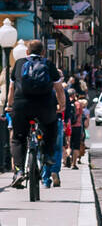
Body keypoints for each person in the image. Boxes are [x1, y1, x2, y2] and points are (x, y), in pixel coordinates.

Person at [6, 40, 64, 189]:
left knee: (18, 138)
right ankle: (48, 155)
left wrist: (9, 105)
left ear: (26, 52)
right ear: (43, 52)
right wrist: (61, 105)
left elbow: (11, 88)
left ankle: (18, 171)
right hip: (44, 105)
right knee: (51, 126)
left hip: (22, 105)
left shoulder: (19, 64)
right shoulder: (49, 64)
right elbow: (59, 89)